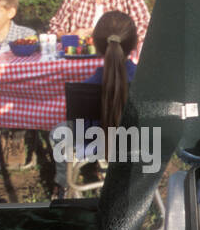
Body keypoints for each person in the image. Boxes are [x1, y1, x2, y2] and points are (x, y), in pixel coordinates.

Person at [53, 11, 139, 194]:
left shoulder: (86, 87)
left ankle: (62, 184)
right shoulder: (147, 81)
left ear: (98, 46)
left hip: (95, 143)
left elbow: (79, 129)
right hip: (142, 141)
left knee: (57, 132)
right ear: (134, 44)